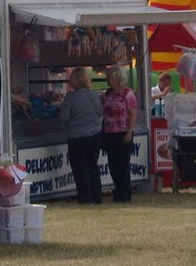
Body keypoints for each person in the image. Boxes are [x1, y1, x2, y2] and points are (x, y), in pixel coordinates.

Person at [59, 66, 104, 204]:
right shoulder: (93, 95)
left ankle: (84, 197)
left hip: (76, 137)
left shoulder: (70, 98)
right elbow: (99, 112)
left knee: (80, 168)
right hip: (94, 135)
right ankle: (96, 196)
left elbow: (64, 117)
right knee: (92, 166)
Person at [100, 65, 139, 203]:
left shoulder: (128, 93)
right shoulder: (108, 94)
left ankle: (125, 194)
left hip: (123, 131)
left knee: (123, 164)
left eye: (110, 77)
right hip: (109, 132)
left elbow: (133, 113)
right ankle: (117, 191)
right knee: (112, 164)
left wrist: (130, 131)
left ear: (117, 78)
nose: (108, 79)